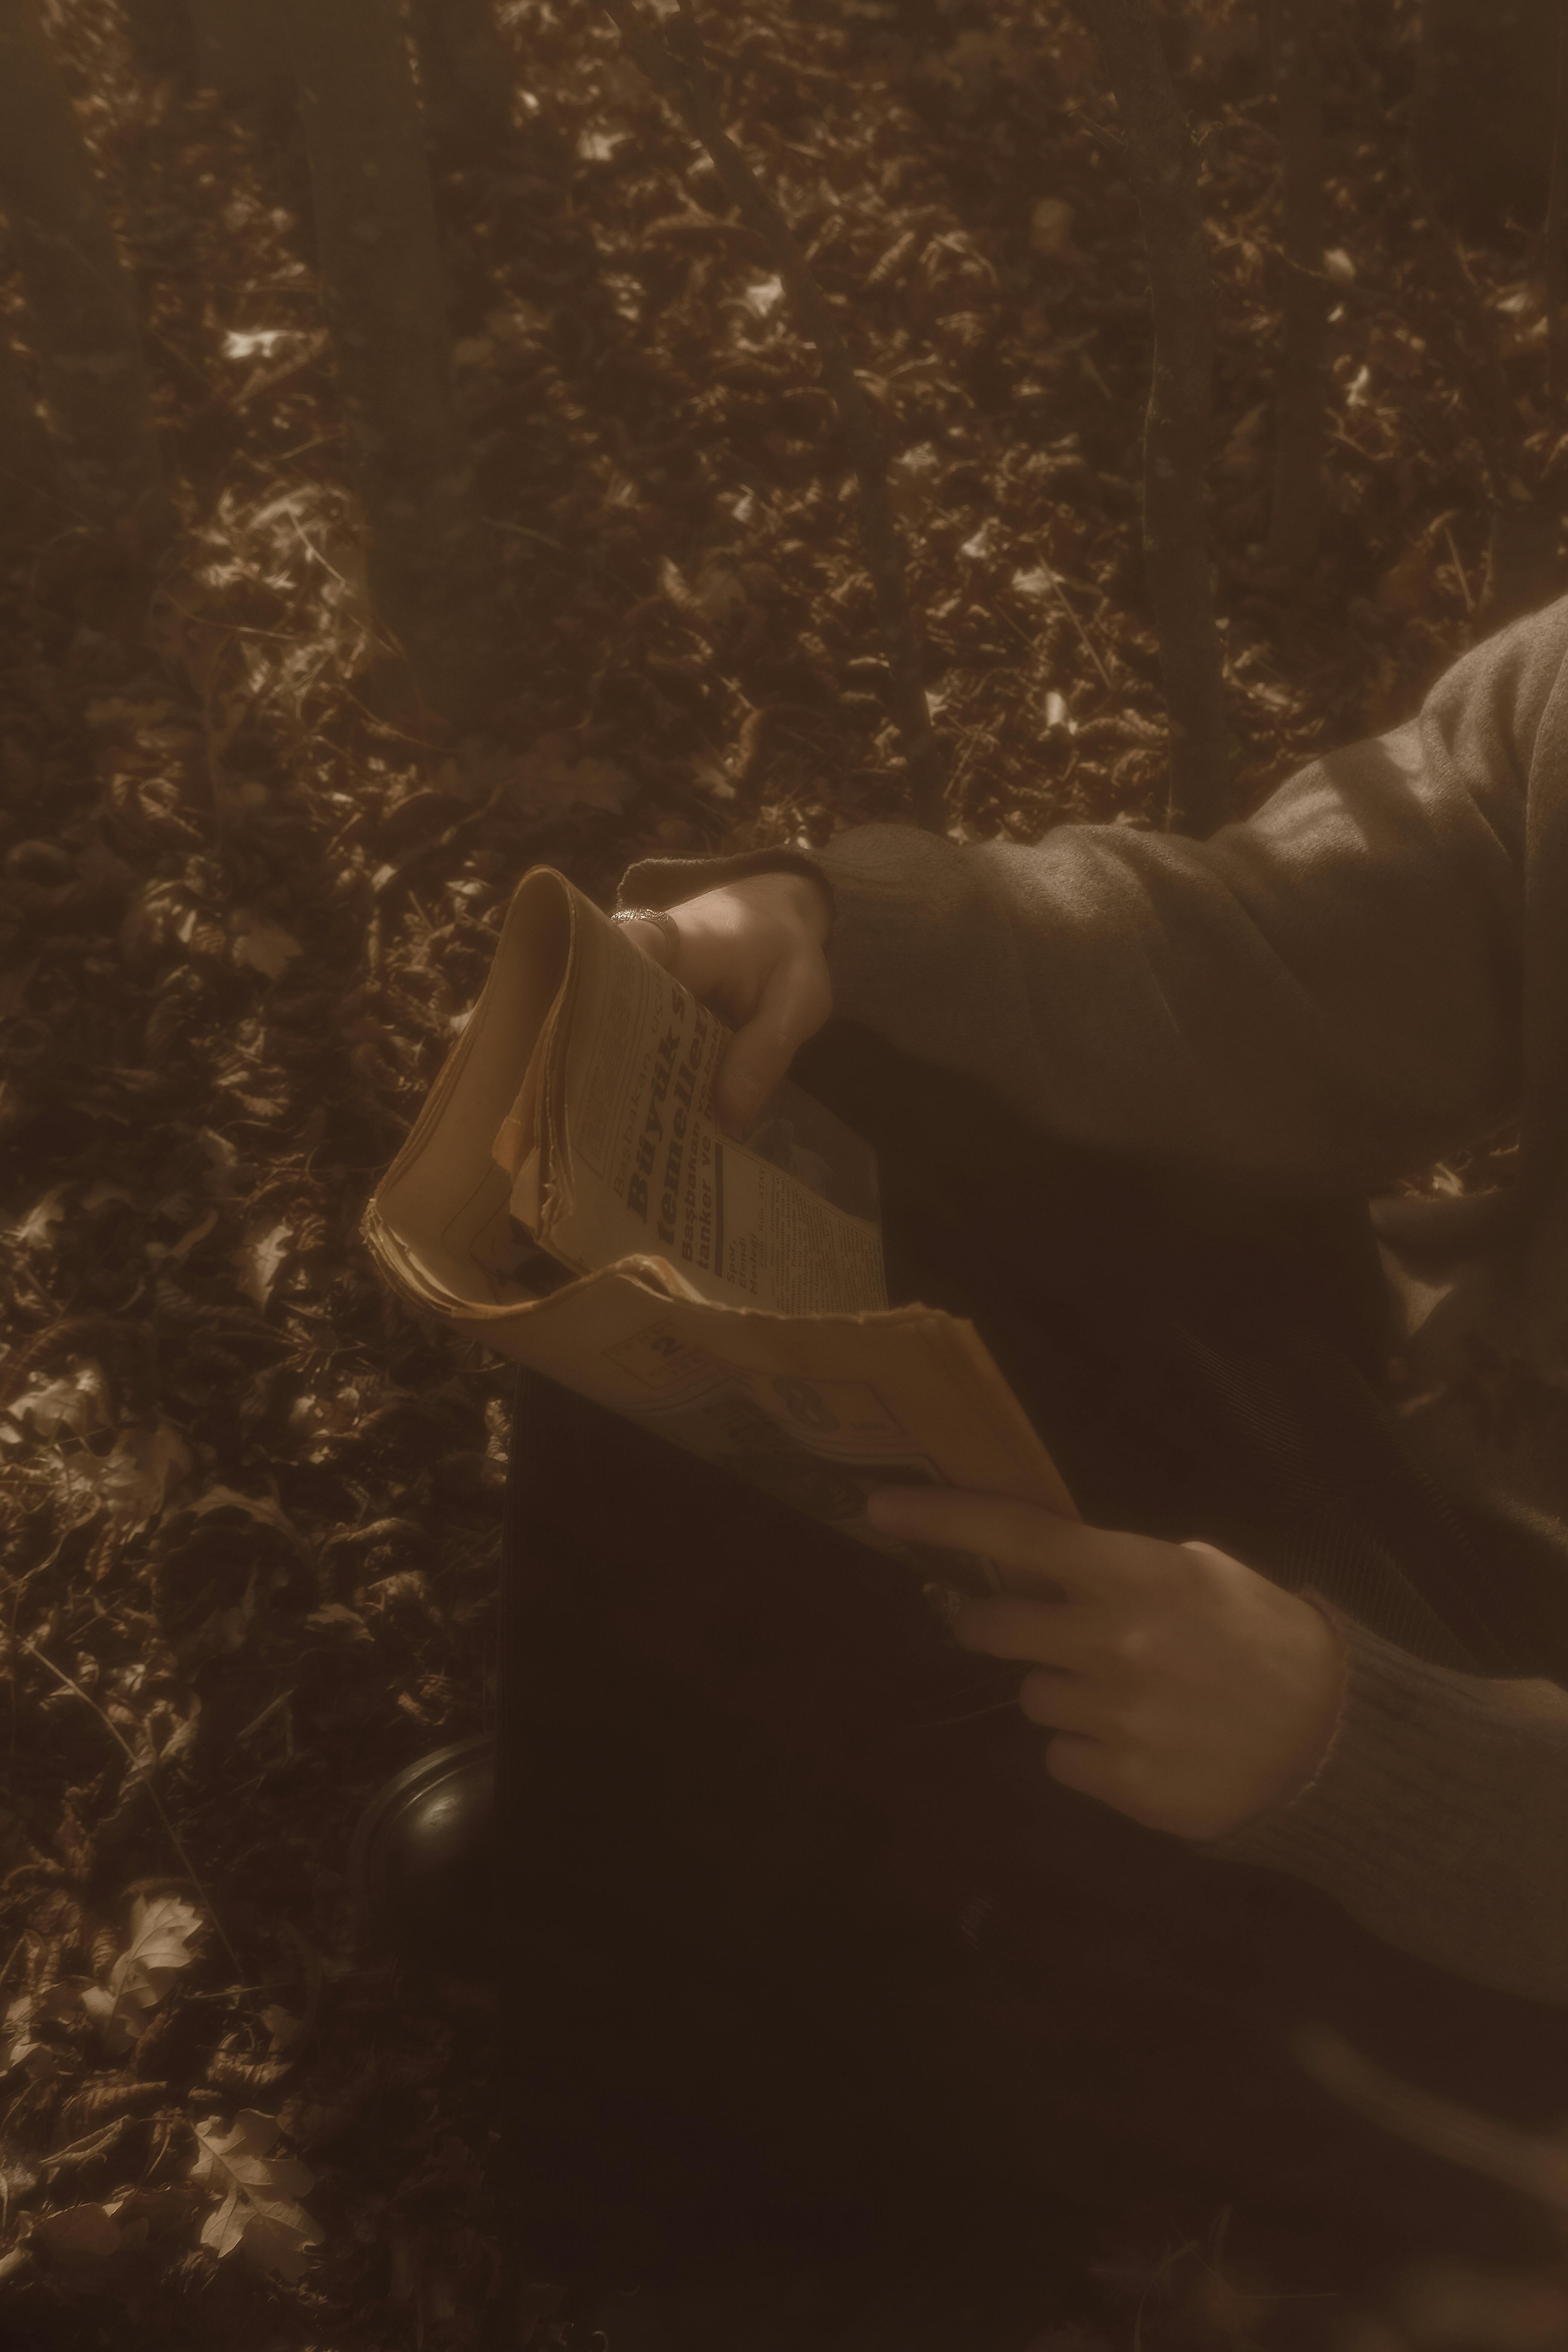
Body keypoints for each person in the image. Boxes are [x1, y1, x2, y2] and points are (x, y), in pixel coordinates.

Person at [353, 599, 1568, 2343]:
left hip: (1507, 1870)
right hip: (1441, 1481)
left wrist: (1357, 1751)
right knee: (805, 1065)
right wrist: (841, 925)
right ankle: (629, 1910)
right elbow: (1289, 945)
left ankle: (813, 2232)